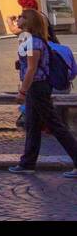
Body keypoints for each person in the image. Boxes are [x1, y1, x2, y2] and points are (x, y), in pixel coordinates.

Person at [8, 9, 77, 177]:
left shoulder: (33, 42)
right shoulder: (32, 40)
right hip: (36, 86)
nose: (18, 19)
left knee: (55, 125)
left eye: (23, 17)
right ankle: (28, 163)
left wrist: (22, 92)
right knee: (32, 124)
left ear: (29, 22)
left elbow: (32, 69)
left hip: (37, 86)